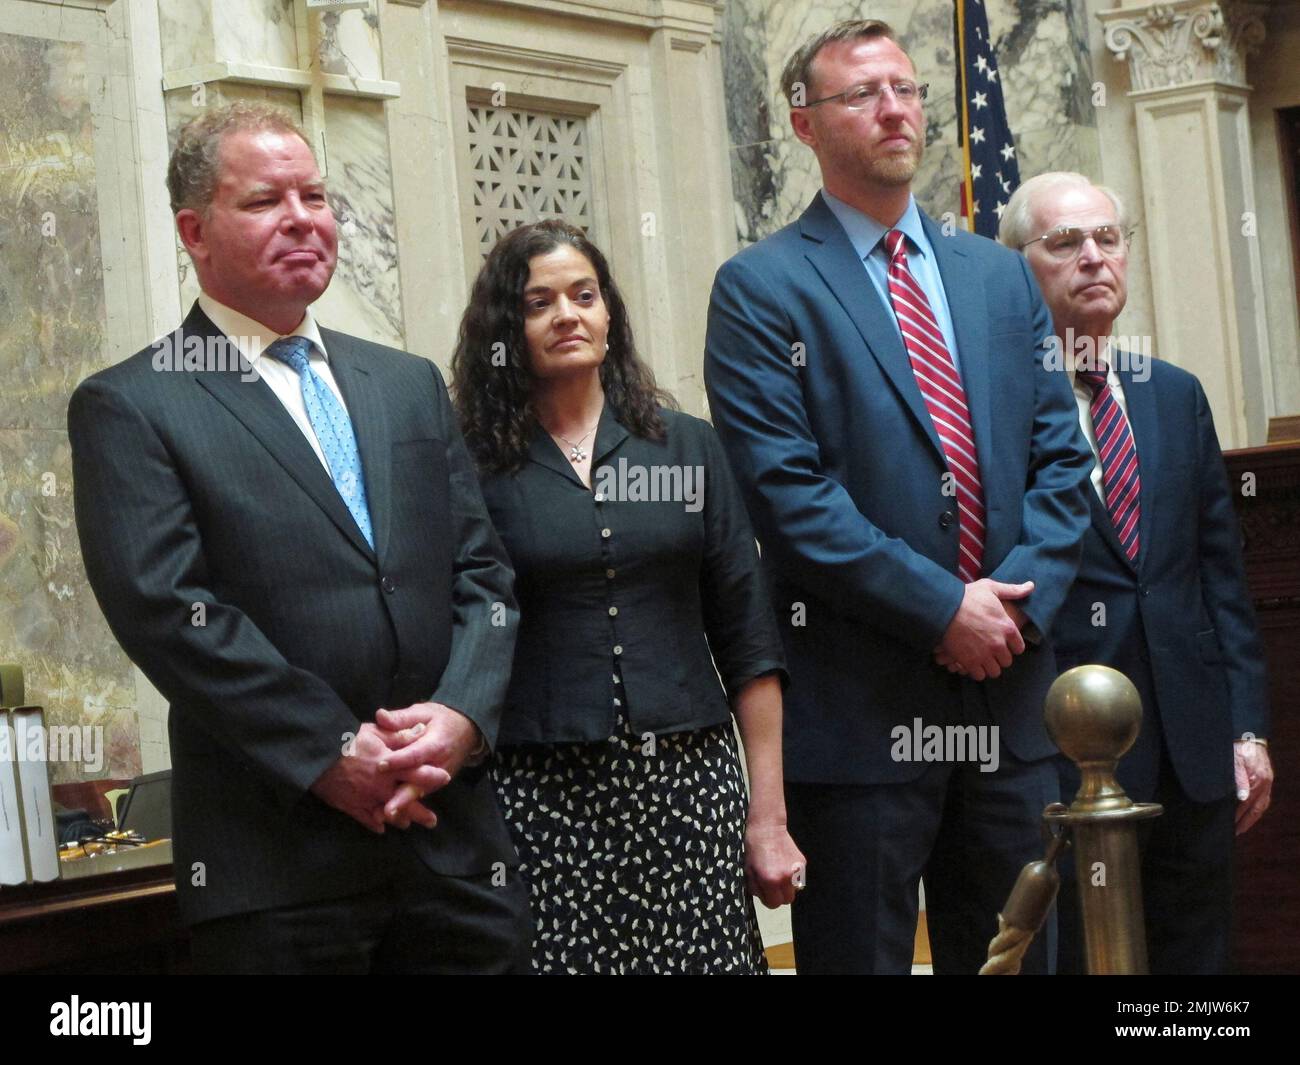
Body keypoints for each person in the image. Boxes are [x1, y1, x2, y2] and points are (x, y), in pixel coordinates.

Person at [67, 103, 531, 973]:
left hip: (455, 848)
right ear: (194, 231)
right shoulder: (134, 404)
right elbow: (167, 610)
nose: (302, 218)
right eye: (265, 200)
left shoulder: (406, 383)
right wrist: (329, 752)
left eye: (315, 195)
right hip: (280, 869)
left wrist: (462, 717)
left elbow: (484, 576)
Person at [703, 19, 1095, 975]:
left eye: (907, 89)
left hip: (1008, 703)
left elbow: (1060, 465)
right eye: (862, 94)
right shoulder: (761, 288)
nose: (894, 109)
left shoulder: (998, 277)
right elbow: (791, 498)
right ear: (803, 124)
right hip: (862, 721)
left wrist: (1007, 607)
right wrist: (941, 607)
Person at [449, 219, 805, 974]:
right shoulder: (473, 466)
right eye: (539, 302)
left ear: (609, 312)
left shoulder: (685, 445)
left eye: (584, 294)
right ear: (506, 330)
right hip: (539, 795)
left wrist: (767, 816)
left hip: (689, 783)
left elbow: (749, 640)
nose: (566, 315)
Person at [1001, 171, 1274, 974]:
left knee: (1196, 967)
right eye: (1065, 243)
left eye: (1108, 238)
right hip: (1060, 754)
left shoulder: (1174, 394)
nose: (1093, 258)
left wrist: (1246, 728)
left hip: (1192, 748)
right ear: (1018, 264)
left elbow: (1219, 580)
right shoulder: (996, 405)